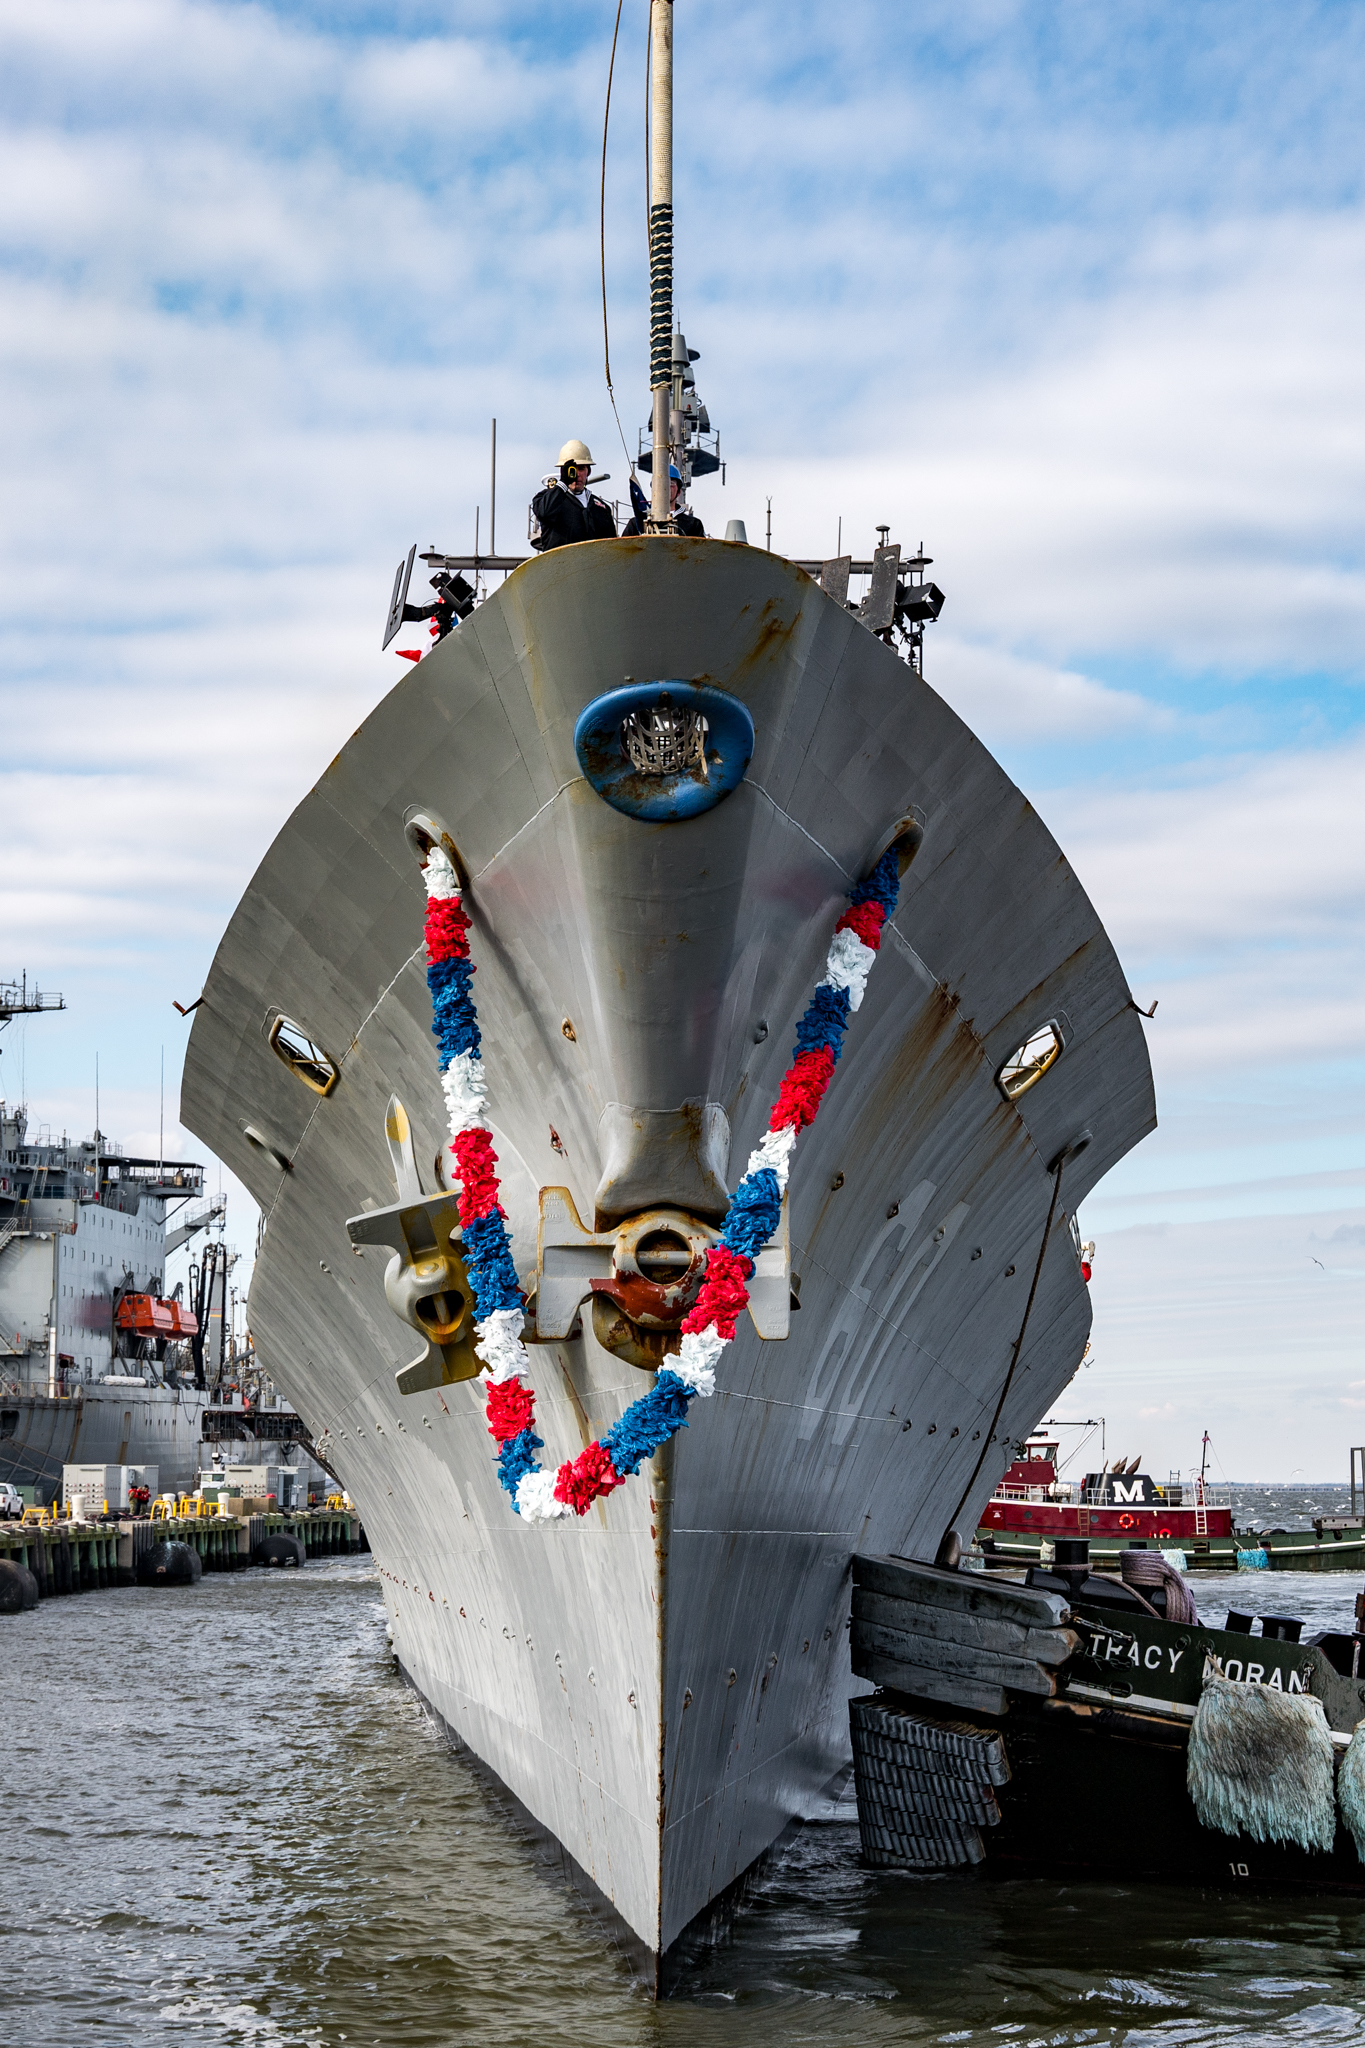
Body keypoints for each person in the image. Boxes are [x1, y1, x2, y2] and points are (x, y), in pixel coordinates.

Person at [530, 440, 617, 551]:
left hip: (593, 565)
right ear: (563, 471)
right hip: (560, 565)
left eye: (581, 468)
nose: (577, 474)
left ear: (588, 472)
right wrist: (563, 483)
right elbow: (544, 513)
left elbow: (612, 546)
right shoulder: (546, 498)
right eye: (572, 469)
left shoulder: (601, 508)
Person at [623, 465, 704, 536]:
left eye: (671, 483)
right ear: (653, 489)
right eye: (660, 482)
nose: (665, 486)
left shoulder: (693, 525)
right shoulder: (636, 524)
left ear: (678, 492)